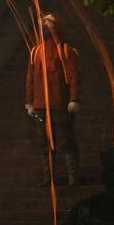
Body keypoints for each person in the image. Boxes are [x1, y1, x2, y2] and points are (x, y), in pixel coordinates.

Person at [25, 13, 80, 185]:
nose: (46, 28)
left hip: (60, 106)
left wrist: (74, 99)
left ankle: (73, 177)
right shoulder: (35, 52)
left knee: (66, 141)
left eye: (49, 25)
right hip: (42, 106)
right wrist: (29, 102)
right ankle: (49, 177)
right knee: (45, 143)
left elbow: (74, 78)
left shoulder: (66, 51)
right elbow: (30, 79)